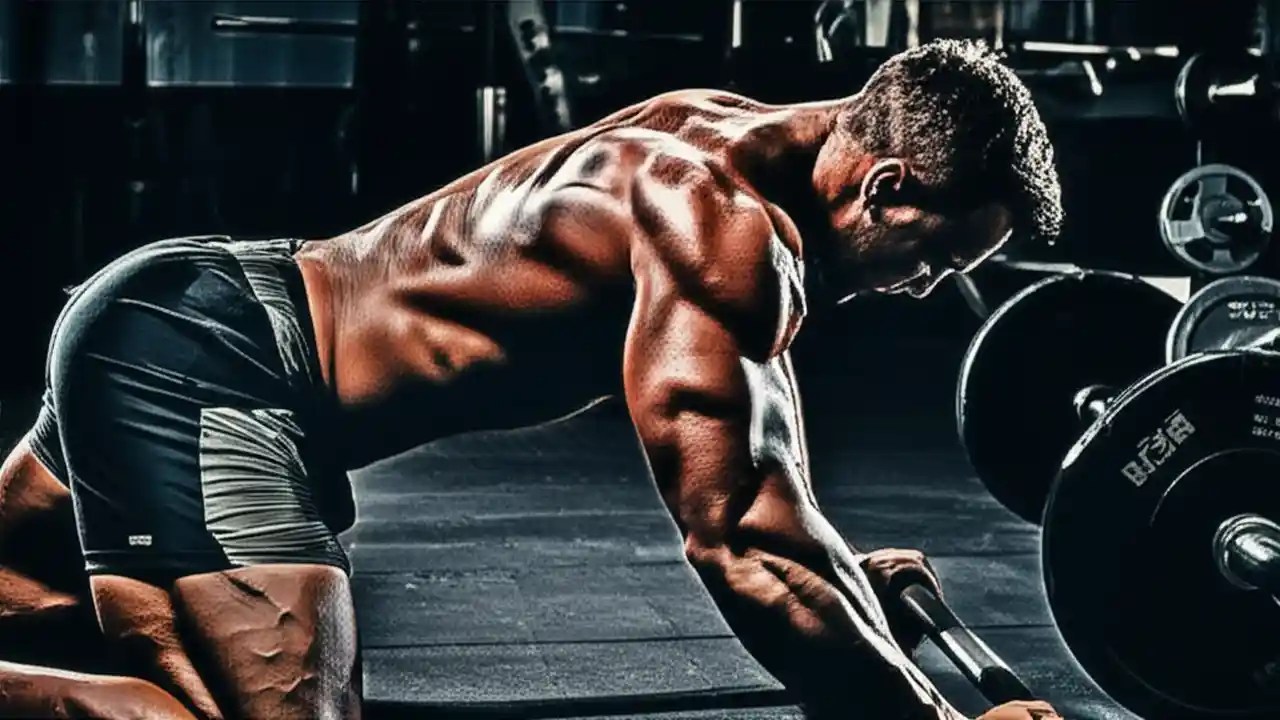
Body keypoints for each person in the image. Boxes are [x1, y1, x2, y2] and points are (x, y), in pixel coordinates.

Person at [0, 39, 1063, 720]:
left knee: (30, 598)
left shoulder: (704, 125)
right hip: (223, 369)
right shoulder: (722, 236)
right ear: (881, 185)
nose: (924, 289)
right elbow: (743, 535)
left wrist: (852, 609)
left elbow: (777, 499)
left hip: (179, 306)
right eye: (937, 258)